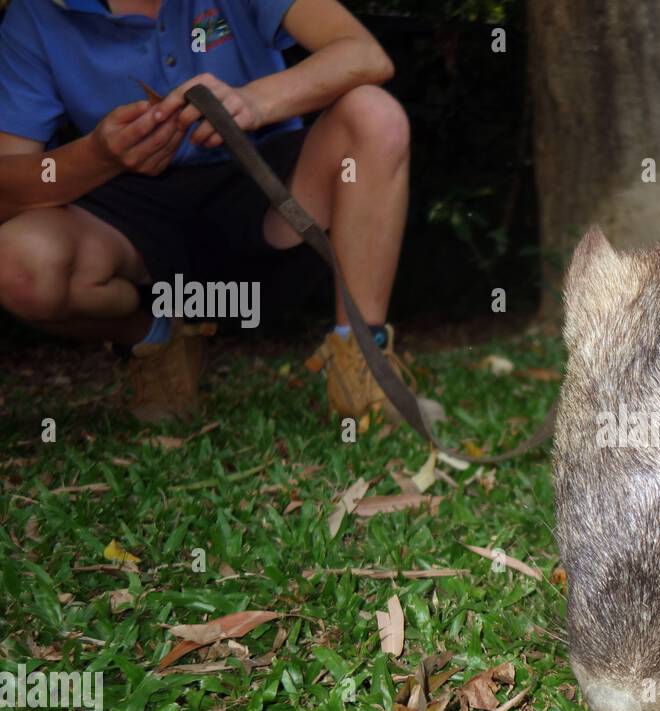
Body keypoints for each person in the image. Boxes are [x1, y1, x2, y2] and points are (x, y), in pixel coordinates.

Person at [0, 0, 413, 422]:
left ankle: (363, 363)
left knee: (374, 115)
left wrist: (253, 102)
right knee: (17, 261)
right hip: (127, 224)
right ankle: (156, 341)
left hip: (269, 193)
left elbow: (363, 54)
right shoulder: (34, 14)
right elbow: (8, 185)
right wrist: (97, 156)